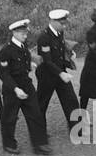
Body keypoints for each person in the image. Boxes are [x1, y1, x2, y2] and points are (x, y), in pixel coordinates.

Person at [0, 18, 51, 155]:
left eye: (26, 33)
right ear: (14, 33)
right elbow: (4, 74)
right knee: (10, 117)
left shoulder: (23, 46)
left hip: (26, 85)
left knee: (35, 114)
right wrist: (16, 89)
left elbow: (24, 63)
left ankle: (39, 144)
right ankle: (9, 144)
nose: (25, 36)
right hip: (12, 89)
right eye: (22, 33)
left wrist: (30, 66)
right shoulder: (5, 51)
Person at [35, 9, 81, 141]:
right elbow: (47, 61)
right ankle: (39, 131)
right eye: (62, 23)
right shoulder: (43, 38)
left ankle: (76, 128)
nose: (64, 26)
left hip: (60, 72)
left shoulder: (59, 32)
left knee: (71, 100)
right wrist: (61, 73)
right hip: (47, 75)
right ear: (53, 21)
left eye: (65, 23)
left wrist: (70, 54)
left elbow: (61, 49)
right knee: (42, 104)